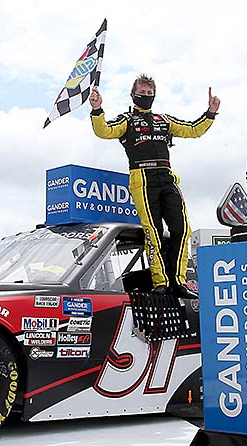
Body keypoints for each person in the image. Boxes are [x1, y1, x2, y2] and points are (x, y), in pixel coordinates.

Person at [89, 75, 220, 297]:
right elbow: (104, 131)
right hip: (142, 178)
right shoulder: (127, 120)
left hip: (167, 177)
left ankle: (178, 281)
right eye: (142, 92)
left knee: (182, 228)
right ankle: (160, 282)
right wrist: (97, 109)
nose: (146, 96)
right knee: (153, 232)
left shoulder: (163, 120)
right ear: (133, 95)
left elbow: (193, 130)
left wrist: (210, 113)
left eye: (150, 93)